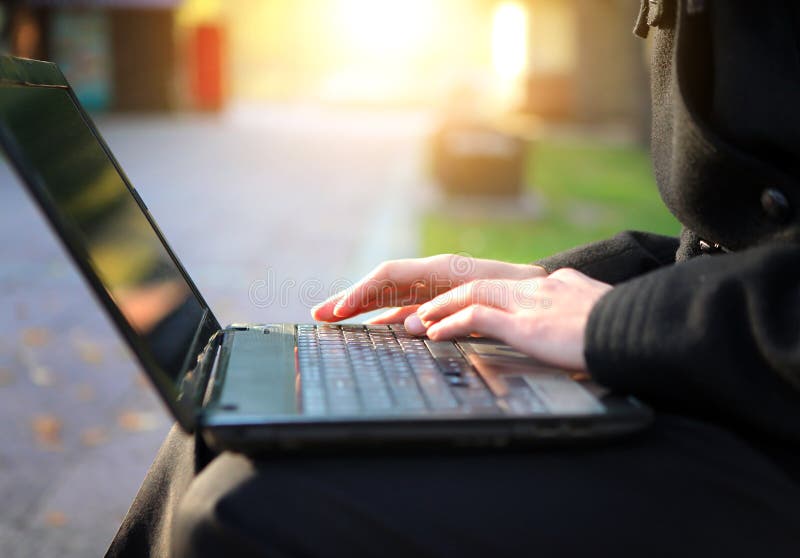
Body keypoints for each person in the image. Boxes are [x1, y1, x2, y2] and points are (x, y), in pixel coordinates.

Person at [106, 2, 800, 557]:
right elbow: (738, 242)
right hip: (714, 359)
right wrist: (549, 284)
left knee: (240, 507)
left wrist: (621, 323)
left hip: (767, 424)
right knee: (217, 418)